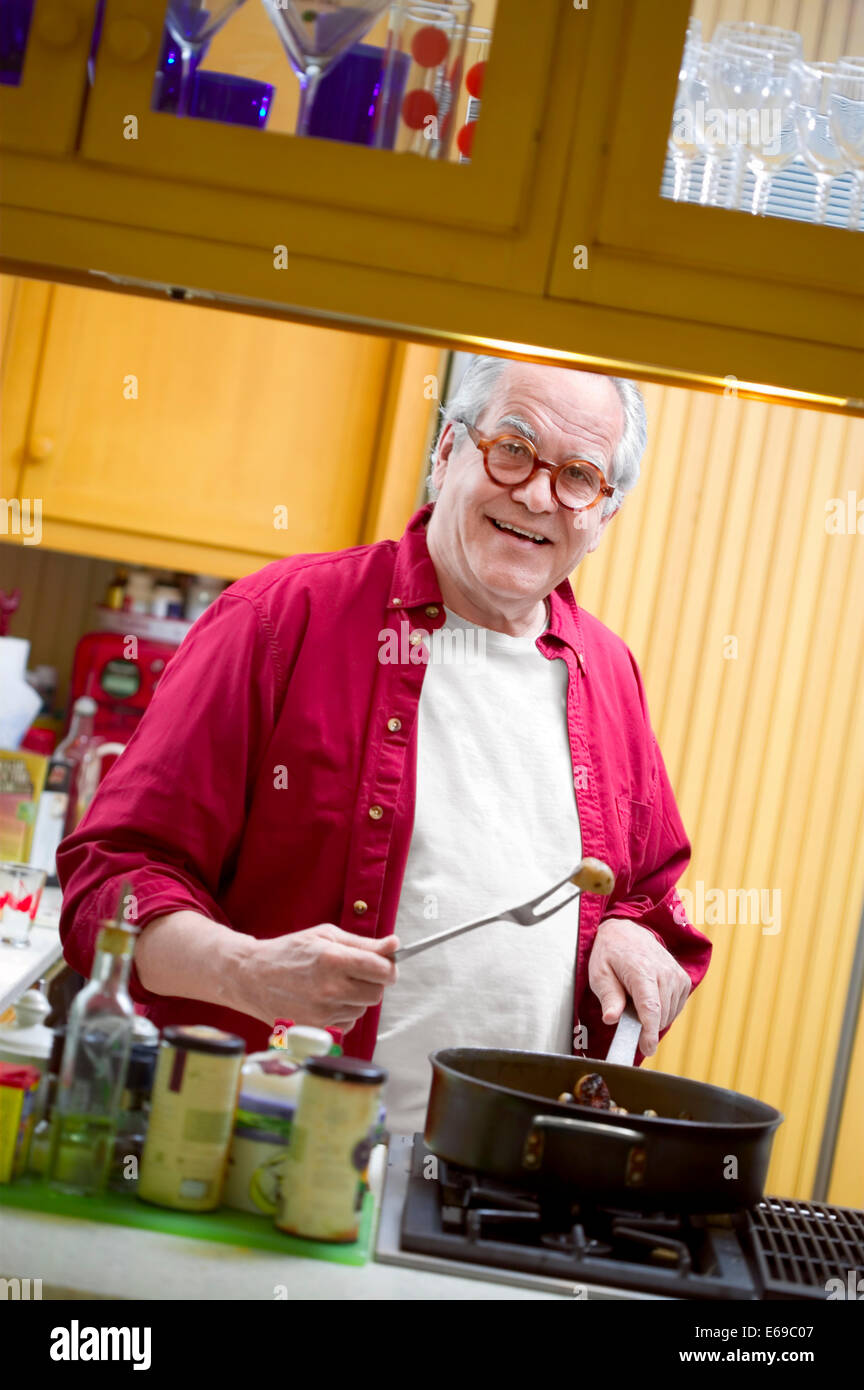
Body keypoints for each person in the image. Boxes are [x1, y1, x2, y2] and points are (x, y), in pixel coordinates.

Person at [57, 355, 711, 1135]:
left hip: (501, 1179)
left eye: (578, 476)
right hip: (259, 1148)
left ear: (604, 516)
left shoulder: (608, 672)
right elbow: (112, 882)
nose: (537, 494)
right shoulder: (280, 619)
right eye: (512, 448)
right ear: (446, 454)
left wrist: (628, 929)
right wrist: (248, 972)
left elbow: (648, 895)